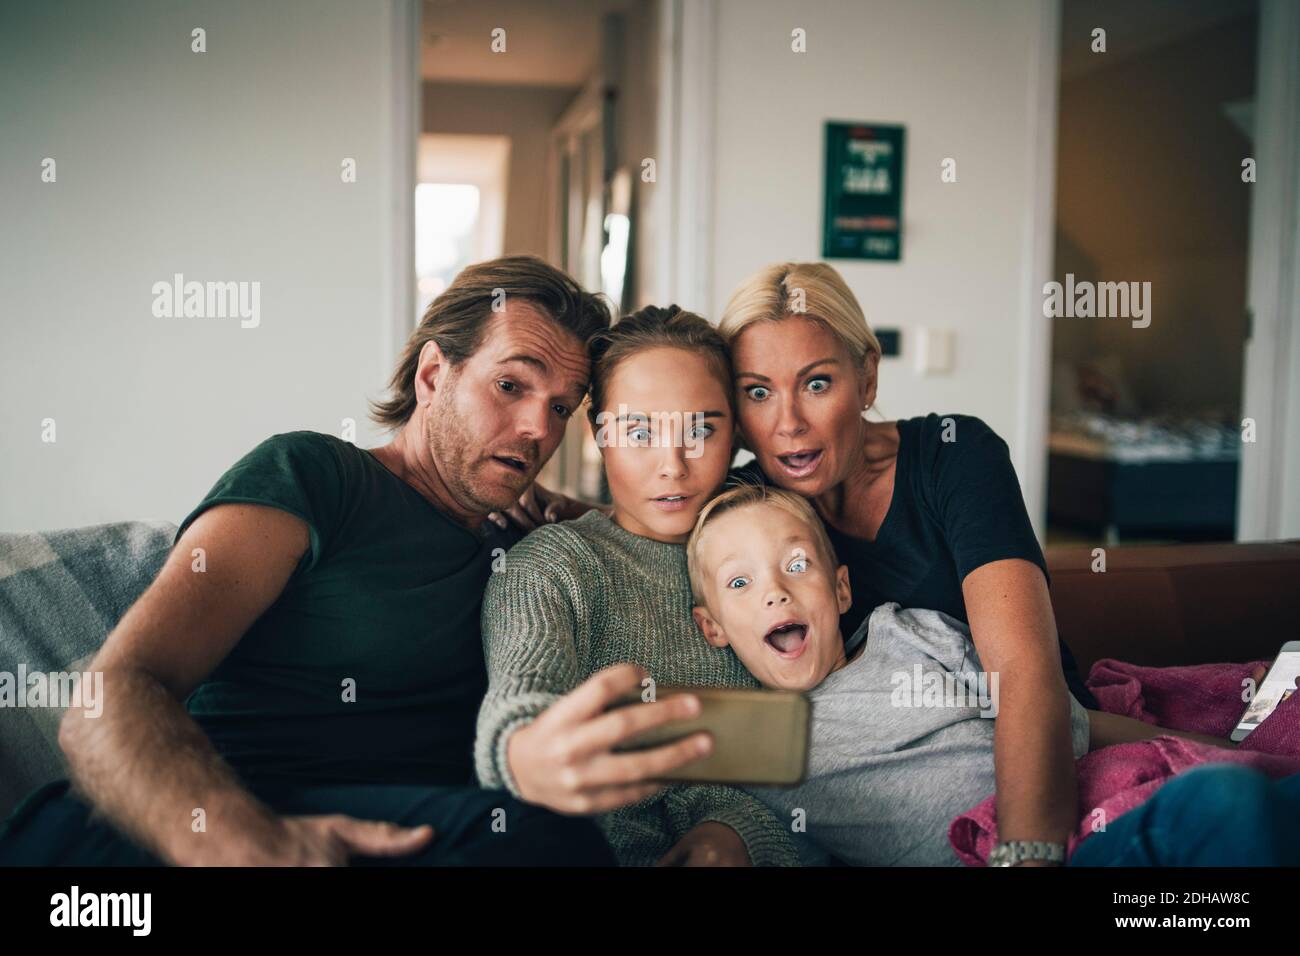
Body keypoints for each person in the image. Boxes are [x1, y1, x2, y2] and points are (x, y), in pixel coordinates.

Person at [0, 256, 628, 866]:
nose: (535, 429)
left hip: (407, 831)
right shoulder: (316, 475)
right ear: (434, 376)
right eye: (511, 385)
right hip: (194, 819)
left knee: (545, 844)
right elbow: (113, 694)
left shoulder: (530, 553)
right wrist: (240, 841)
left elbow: (672, 535)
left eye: (560, 407)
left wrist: (578, 515)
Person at [712, 261, 1123, 865]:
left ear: (867, 377)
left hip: (1051, 752)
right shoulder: (746, 511)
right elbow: (646, 515)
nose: (789, 422)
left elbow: (1023, 670)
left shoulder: (956, 456)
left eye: (817, 383)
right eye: (757, 392)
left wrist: (1027, 853)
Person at [684, 483, 1231, 866]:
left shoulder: (911, 634)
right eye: (739, 584)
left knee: (1232, 790)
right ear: (713, 628)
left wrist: (1215, 748)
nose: (775, 590)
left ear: (841, 589)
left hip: (1084, 820)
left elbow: (1067, 723)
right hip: (1022, 854)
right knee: (1231, 805)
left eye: (797, 565)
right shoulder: (755, 742)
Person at [474, 306, 800, 866]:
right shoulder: (555, 566)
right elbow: (520, 696)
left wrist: (735, 836)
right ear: (598, 433)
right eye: (638, 431)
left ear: (736, 431)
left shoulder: (781, 557)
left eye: (700, 429)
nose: (672, 465)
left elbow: (816, 763)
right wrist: (523, 752)